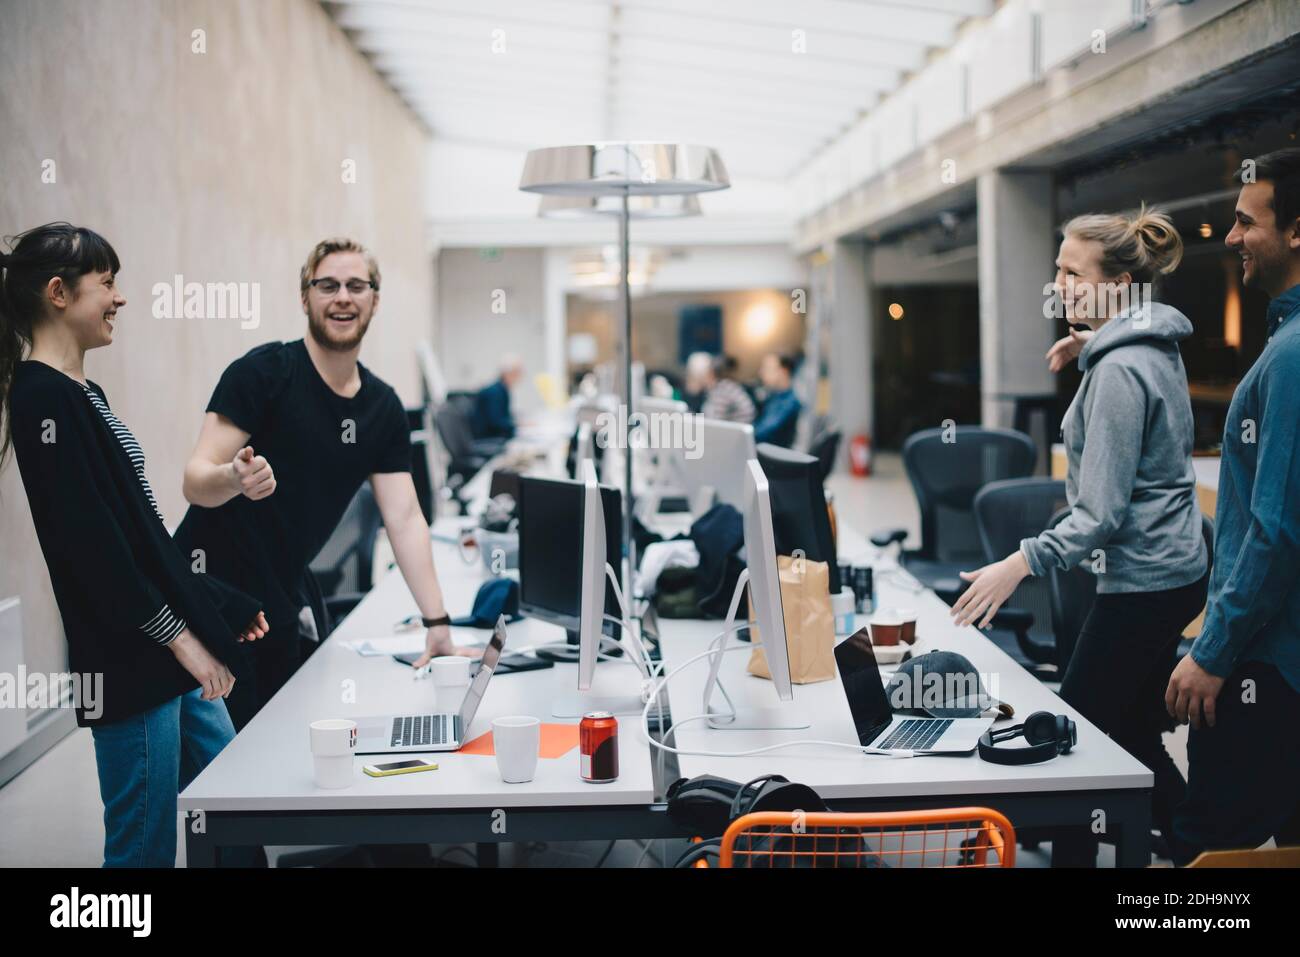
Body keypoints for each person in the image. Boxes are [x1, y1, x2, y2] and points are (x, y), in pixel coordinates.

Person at [0, 223, 267, 867]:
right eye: (108, 284)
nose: (120, 299)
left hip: (159, 645)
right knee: (141, 843)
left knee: (231, 805)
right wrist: (184, 641)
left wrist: (216, 602)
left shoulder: (83, 393)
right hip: (132, 656)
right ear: (60, 293)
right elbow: (94, 551)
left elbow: (139, 533)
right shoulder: (43, 399)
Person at [951, 207, 1208, 865]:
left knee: (1080, 732)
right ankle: (1199, 853)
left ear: (1117, 285)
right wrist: (1091, 346)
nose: (1057, 283)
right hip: (1173, 568)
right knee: (1126, 730)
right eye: (1057, 268)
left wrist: (1019, 563)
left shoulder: (1121, 370)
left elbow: (1099, 514)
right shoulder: (1144, 346)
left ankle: (1095, 850)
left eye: (1071, 271)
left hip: (1146, 578)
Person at [176, 237, 472, 731]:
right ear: (304, 297)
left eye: (357, 286)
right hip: (212, 595)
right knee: (217, 773)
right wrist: (233, 477)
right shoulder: (264, 372)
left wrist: (437, 624)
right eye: (327, 285)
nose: (342, 297)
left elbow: (403, 518)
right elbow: (194, 480)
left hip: (282, 599)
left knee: (277, 753)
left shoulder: (382, 407)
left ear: (374, 300)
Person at [1163, 148, 1300, 864]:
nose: (1231, 236)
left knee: (1206, 859)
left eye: (1246, 221)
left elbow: (1277, 532)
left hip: (1264, 669)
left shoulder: (1292, 355)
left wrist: (1213, 650)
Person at [752, 352, 801, 447]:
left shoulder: (789, 403)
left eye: (767, 368)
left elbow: (763, 432)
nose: (761, 372)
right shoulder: (774, 396)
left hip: (773, 457)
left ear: (783, 371)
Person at [471, 355, 522, 441]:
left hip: (496, 437)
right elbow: (496, 422)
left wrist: (516, 423)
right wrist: (517, 424)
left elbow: (504, 416)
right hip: (490, 439)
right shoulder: (494, 392)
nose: (519, 376)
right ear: (507, 373)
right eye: (517, 372)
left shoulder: (502, 389)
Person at [697, 354, 756, 425]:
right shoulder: (713, 390)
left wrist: (733, 428)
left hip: (724, 432)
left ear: (711, 373)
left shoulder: (726, 388)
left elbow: (748, 411)